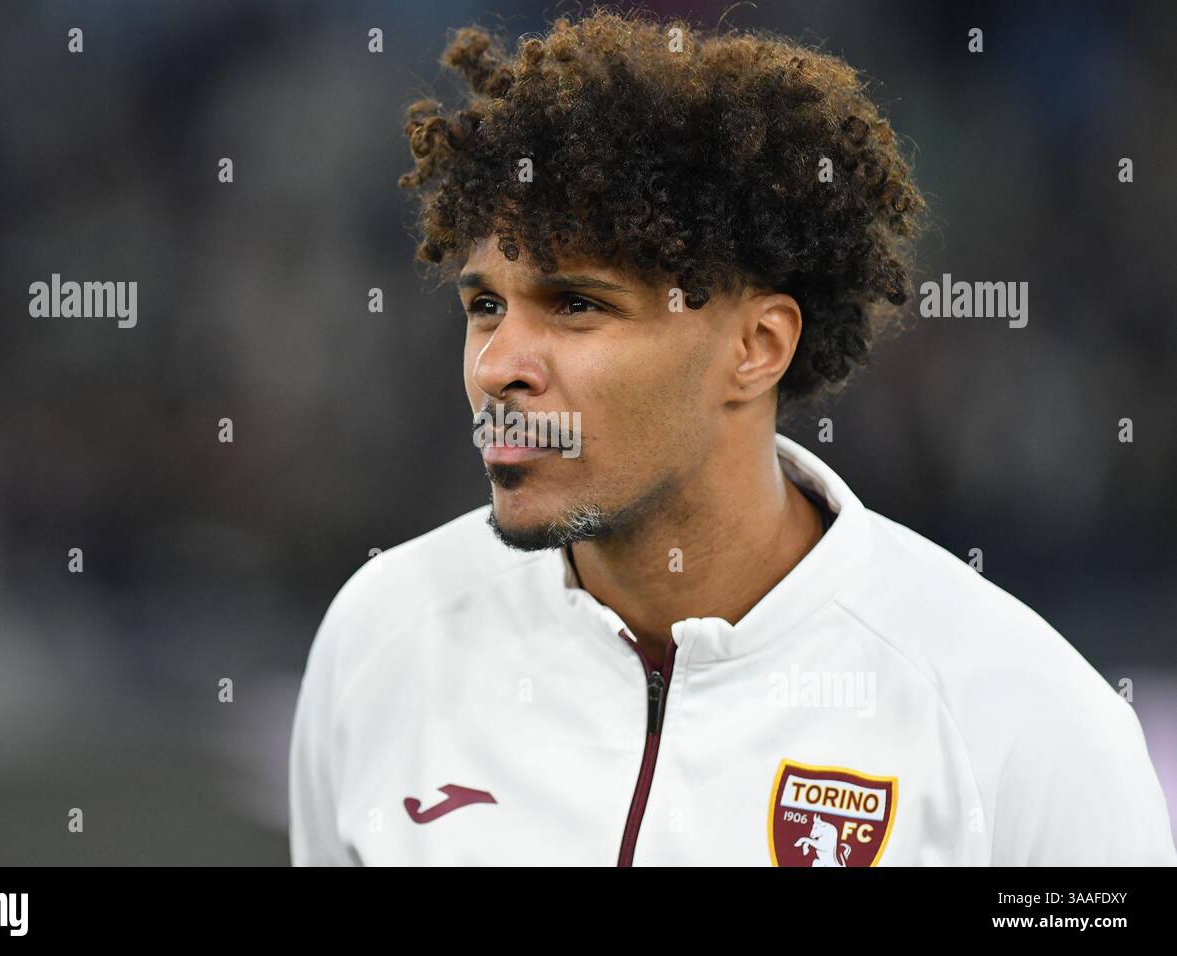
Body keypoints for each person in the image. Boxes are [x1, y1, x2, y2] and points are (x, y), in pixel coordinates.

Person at [289, 10, 1175, 865]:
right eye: (486, 306)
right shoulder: (382, 637)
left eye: (578, 305)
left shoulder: (1025, 725)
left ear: (757, 349)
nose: (497, 367)